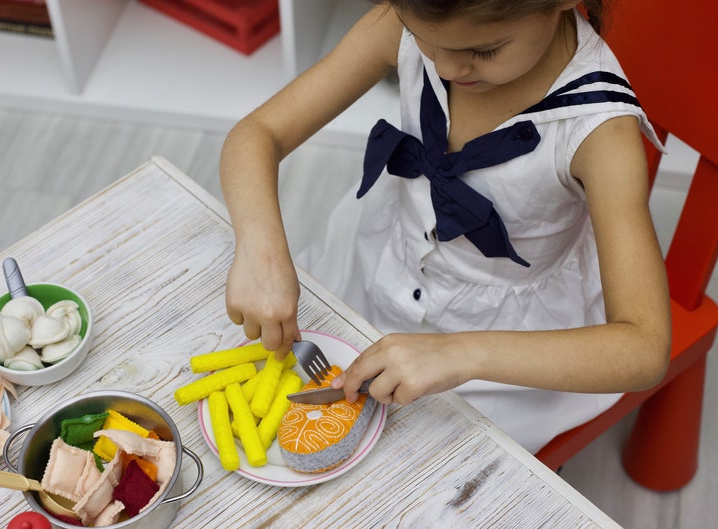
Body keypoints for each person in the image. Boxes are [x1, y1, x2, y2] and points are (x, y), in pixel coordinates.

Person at [219, 0, 671, 452]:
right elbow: (259, 133)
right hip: (371, 270)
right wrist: (260, 249)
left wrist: (460, 353)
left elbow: (644, 347)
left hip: (505, 355)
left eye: (486, 50)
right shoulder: (401, 22)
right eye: (426, 42)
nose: (449, 67)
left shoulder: (600, 133)